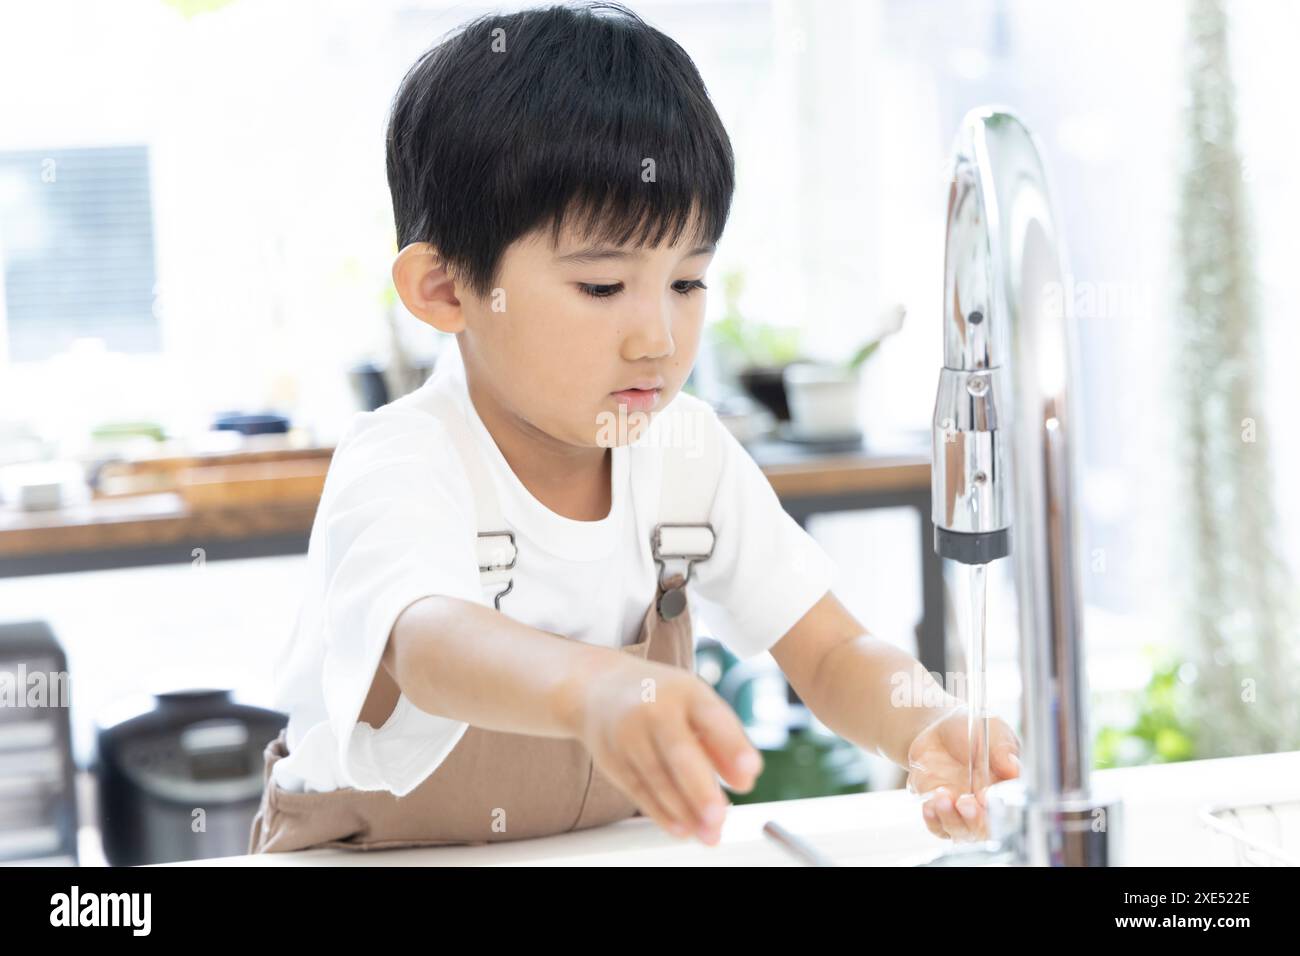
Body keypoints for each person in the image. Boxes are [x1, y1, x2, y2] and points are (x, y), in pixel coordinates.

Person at [250, 1, 1019, 855]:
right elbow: (428, 643)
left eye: (687, 283)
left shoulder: (685, 454)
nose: (658, 336)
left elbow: (832, 651)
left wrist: (927, 723)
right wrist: (594, 689)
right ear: (445, 288)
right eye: (603, 288)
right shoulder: (403, 458)